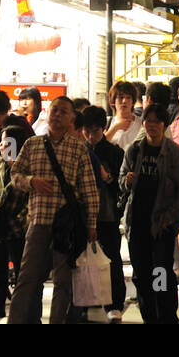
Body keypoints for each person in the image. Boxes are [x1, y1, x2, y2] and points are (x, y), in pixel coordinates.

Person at [7, 96, 100, 324]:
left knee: (63, 281)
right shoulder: (32, 144)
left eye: (63, 112)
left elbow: (89, 189)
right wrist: (31, 182)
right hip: (38, 221)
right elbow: (15, 176)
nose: (57, 115)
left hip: (66, 225)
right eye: (55, 110)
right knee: (27, 278)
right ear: (48, 113)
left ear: (71, 118)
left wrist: (92, 224)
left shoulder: (78, 148)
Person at [122, 103, 179, 323]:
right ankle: (149, 317)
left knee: (160, 273)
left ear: (164, 124)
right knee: (141, 276)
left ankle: (165, 315)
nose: (152, 125)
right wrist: (126, 182)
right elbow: (121, 180)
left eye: (157, 121)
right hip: (138, 224)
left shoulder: (176, 155)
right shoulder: (134, 150)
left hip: (161, 225)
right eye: (148, 120)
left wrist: (169, 221)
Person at [78, 106, 126, 321]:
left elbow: (123, 186)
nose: (90, 136)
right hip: (82, 215)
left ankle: (114, 304)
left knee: (112, 261)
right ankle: (85, 303)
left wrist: (107, 177)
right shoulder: (78, 150)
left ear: (103, 128)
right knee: (82, 261)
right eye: (86, 131)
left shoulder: (115, 152)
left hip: (106, 215)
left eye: (95, 131)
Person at [0, 123, 32, 319]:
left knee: (22, 271)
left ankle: (23, 307)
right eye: (2, 143)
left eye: (6, 143)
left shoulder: (27, 168)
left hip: (17, 227)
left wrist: (21, 222)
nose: (2, 147)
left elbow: (29, 200)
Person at [106, 80, 144, 150]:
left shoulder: (141, 124)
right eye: (121, 97)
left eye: (128, 97)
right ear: (113, 101)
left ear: (133, 101)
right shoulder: (108, 123)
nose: (124, 101)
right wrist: (115, 128)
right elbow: (101, 145)